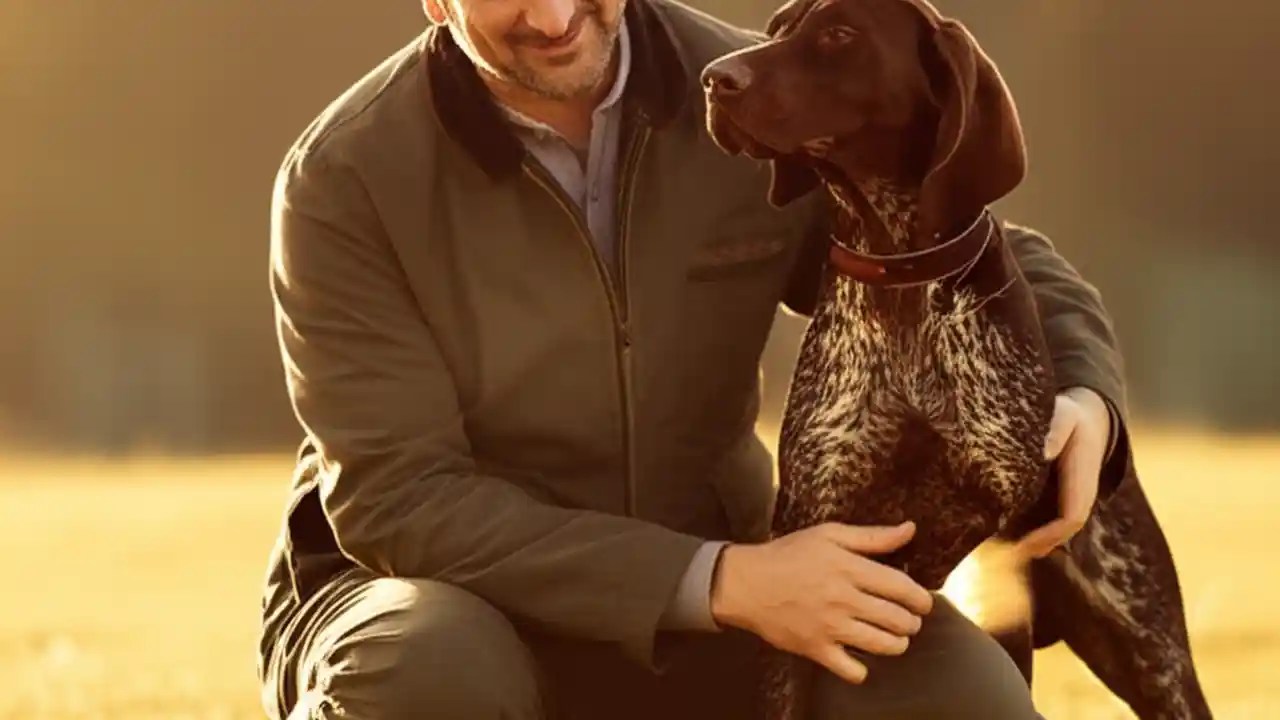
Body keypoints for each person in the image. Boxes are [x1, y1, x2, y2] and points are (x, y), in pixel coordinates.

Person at [256, 0, 1132, 717]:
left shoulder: (751, 95)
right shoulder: (343, 178)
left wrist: (1087, 391)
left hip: (742, 584)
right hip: (440, 597)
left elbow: (968, 245)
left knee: (962, 702)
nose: (554, 15)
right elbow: (399, 502)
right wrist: (714, 581)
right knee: (427, 673)